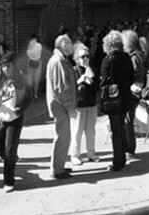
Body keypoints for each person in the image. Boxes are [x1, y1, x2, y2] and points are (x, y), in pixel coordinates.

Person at [0, 49, 31, 192]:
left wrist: (21, 108)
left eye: (9, 66)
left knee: (9, 151)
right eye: (3, 66)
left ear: (14, 66)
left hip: (15, 119)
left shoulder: (22, 80)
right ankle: (10, 158)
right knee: (0, 147)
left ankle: (9, 181)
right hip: (1, 119)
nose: (6, 69)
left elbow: (29, 99)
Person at [100, 31, 135, 172]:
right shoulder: (126, 57)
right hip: (125, 97)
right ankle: (123, 158)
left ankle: (118, 162)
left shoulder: (107, 60)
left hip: (113, 100)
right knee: (121, 126)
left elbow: (103, 82)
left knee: (116, 130)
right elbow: (131, 77)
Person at [46, 35, 77, 179]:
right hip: (60, 106)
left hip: (60, 105)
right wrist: (70, 107)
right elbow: (62, 88)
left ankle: (59, 165)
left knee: (65, 136)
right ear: (62, 45)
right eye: (69, 42)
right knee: (62, 136)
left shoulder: (61, 60)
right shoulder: (58, 61)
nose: (71, 45)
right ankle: (57, 170)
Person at [70, 44, 99, 165]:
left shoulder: (91, 69)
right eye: (82, 57)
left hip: (91, 104)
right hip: (79, 105)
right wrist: (80, 81)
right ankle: (75, 155)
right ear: (77, 58)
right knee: (77, 132)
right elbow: (70, 88)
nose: (86, 59)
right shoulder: (74, 70)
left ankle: (91, 154)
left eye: (87, 56)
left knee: (91, 131)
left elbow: (97, 87)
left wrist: (91, 80)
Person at [123, 30, 147, 158]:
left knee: (128, 119)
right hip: (135, 91)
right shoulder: (136, 56)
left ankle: (129, 148)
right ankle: (129, 147)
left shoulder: (134, 58)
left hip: (133, 92)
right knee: (128, 119)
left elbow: (137, 76)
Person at [26, 34, 44, 98]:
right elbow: (39, 54)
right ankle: (35, 94)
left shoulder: (30, 45)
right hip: (38, 63)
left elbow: (28, 54)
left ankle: (31, 94)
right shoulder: (39, 45)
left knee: (30, 79)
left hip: (30, 62)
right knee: (37, 80)